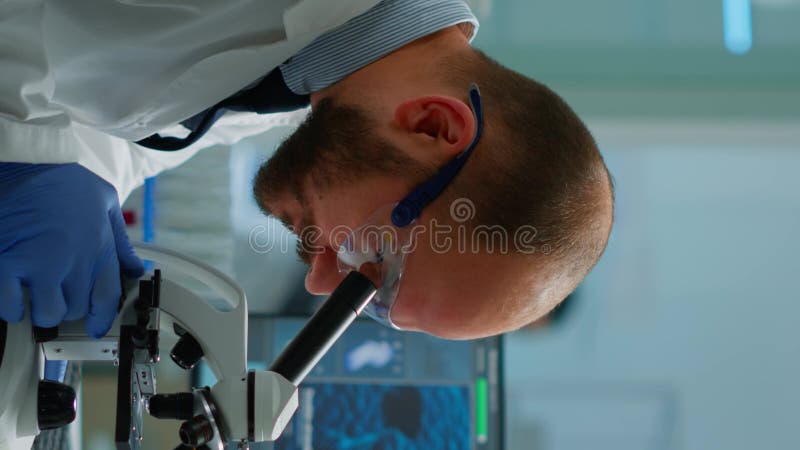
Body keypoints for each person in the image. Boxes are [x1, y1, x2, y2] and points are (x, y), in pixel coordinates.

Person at [0, 0, 613, 341]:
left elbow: (124, 113)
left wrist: (82, 180)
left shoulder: (328, 82)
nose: (320, 281)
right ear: (433, 126)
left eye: (361, 296)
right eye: (375, 256)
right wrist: (37, 159)